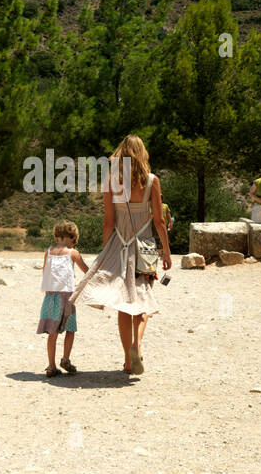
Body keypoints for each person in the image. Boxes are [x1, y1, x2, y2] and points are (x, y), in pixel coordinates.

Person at [70, 135, 171, 375]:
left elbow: (108, 222)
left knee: (123, 304)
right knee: (142, 300)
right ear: (142, 154)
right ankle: (137, 344)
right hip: (144, 247)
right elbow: (158, 220)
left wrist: (106, 252)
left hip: (118, 245)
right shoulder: (152, 181)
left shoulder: (111, 181)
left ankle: (128, 360)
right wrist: (165, 250)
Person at [37, 221, 88, 378]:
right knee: (70, 329)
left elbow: (44, 272)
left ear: (56, 237)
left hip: (50, 296)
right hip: (67, 297)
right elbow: (87, 271)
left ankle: (51, 366)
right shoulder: (73, 253)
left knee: (52, 332)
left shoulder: (48, 251)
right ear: (73, 237)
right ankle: (65, 359)